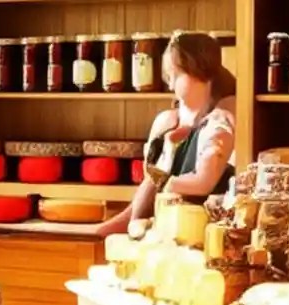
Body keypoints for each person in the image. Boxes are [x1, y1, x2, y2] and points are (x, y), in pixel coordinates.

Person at [96, 32, 237, 237]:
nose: (170, 86)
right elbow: (150, 181)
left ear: (198, 68)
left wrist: (166, 182)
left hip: (205, 225)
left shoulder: (223, 115)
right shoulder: (168, 121)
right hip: (164, 220)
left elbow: (203, 182)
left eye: (176, 76)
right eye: (168, 77)